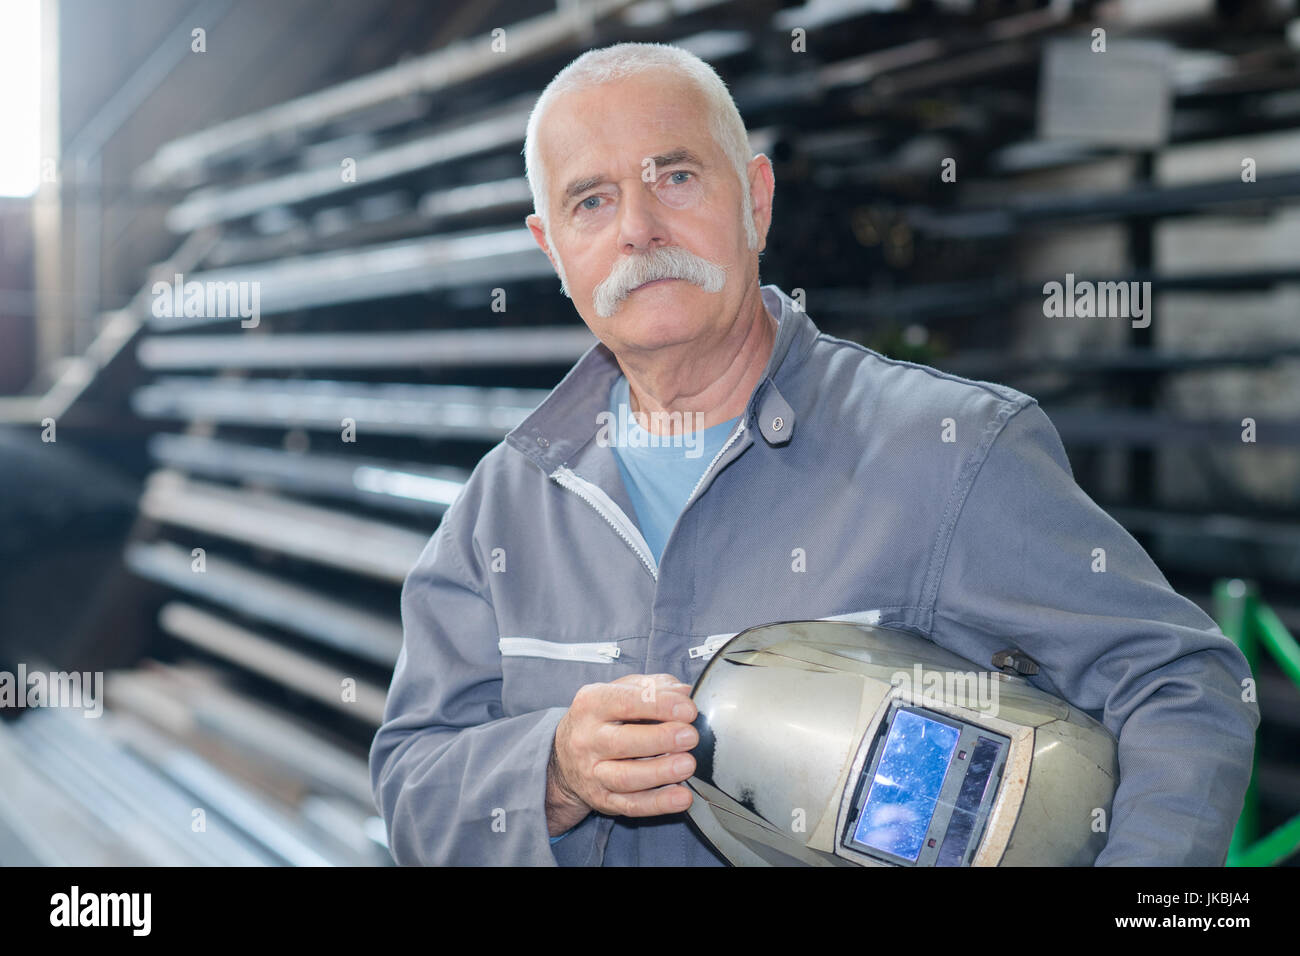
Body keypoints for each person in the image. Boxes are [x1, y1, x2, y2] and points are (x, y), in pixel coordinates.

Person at [369, 42, 1259, 866]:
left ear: (756, 200)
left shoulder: (943, 452)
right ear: (552, 251)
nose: (637, 228)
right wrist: (552, 770)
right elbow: (411, 781)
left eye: (675, 176)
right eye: (591, 201)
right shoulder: (506, 506)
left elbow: (1182, 684)